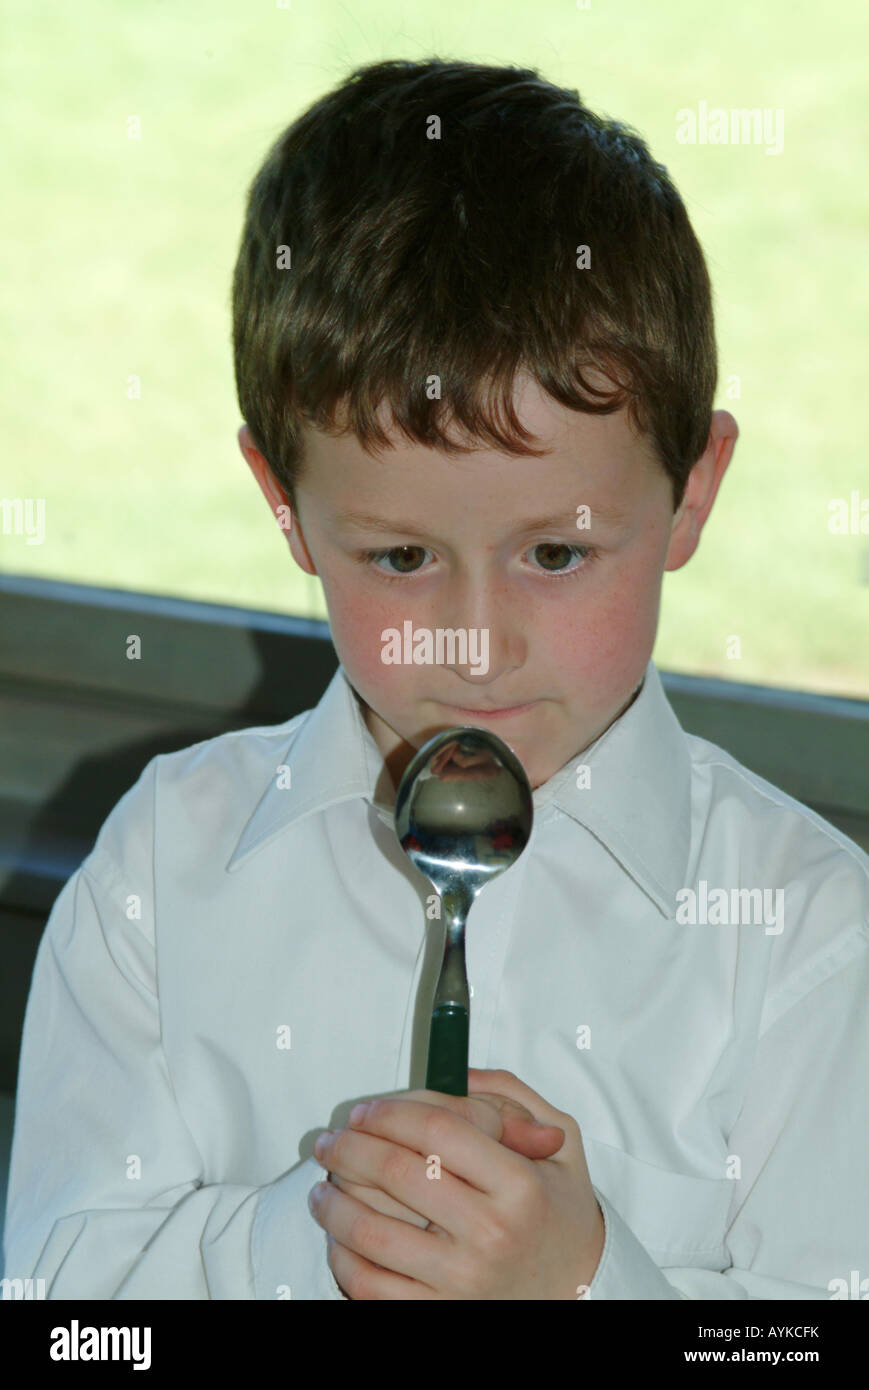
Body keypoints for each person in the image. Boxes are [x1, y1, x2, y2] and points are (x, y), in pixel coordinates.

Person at [4, 58, 867, 1301]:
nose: (472, 643)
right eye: (400, 556)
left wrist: (584, 1281)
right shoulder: (161, 874)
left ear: (690, 491)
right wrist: (325, 1235)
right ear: (285, 511)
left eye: (556, 553)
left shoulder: (801, 934)